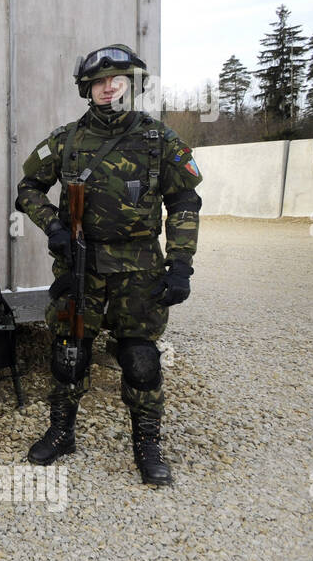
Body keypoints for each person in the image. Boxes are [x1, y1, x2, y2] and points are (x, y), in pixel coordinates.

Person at [15, 44, 202, 486]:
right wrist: (54, 228)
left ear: (132, 85)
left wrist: (181, 265)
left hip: (140, 269)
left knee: (141, 359)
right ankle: (62, 432)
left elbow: (184, 201)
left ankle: (148, 443)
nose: (108, 88)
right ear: (87, 89)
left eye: (117, 80)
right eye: (99, 82)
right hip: (82, 266)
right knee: (69, 352)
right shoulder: (66, 141)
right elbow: (28, 188)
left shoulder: (160, 140)